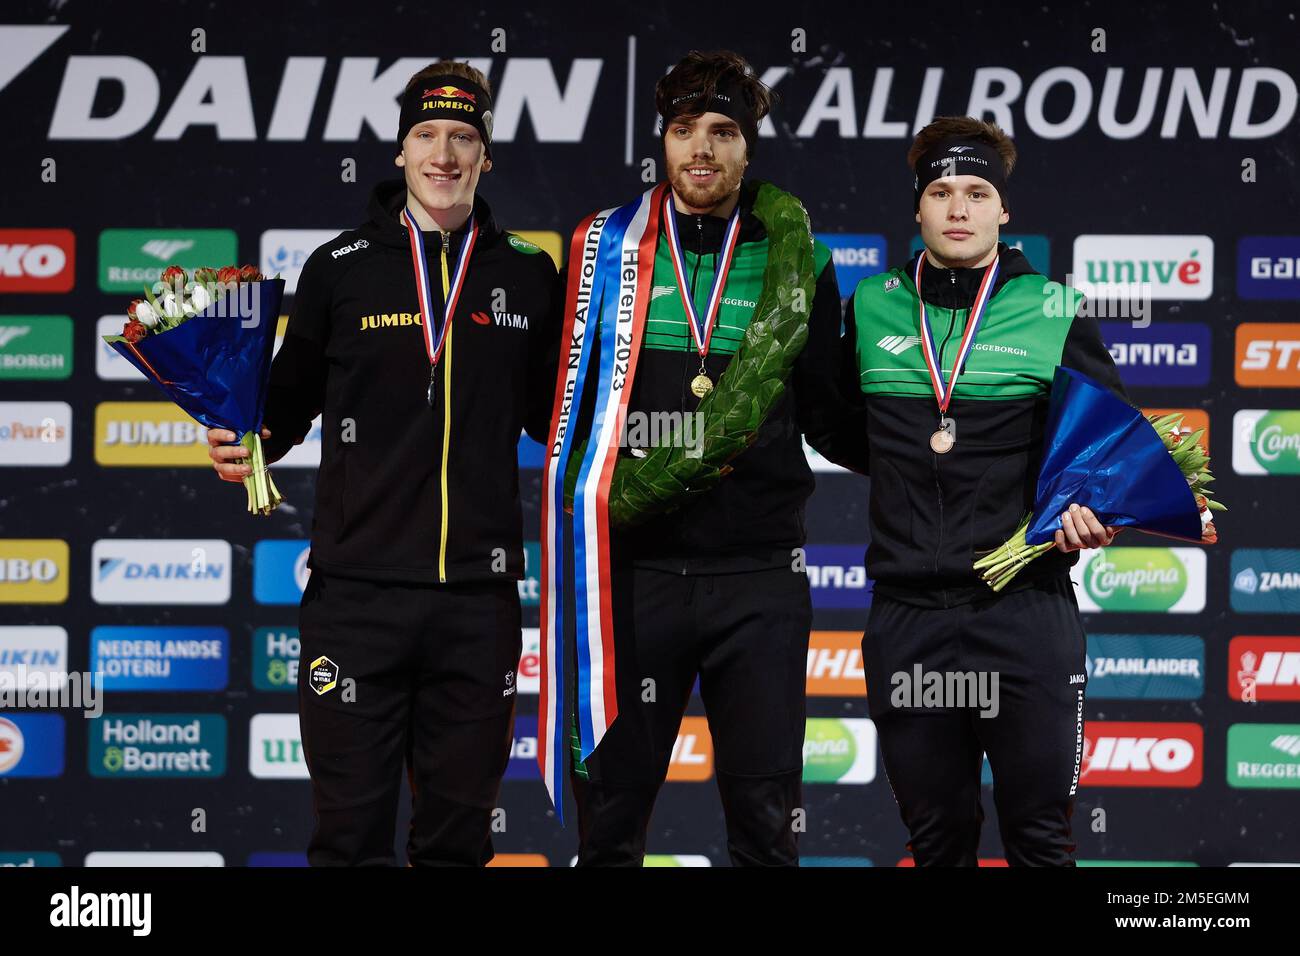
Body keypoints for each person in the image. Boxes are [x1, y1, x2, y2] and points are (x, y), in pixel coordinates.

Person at [207, 60, 560, 866]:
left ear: (486, 157)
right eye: (427, 135)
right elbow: (284, 411)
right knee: (349, 840)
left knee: (456, 842)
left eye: (463, 137)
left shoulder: (529, 276)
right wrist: (245, 441)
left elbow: (557, 422)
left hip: (477, 606)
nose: (444, 153)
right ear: (400, 151)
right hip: (356, 603)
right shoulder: (339, 268)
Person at [546, 50, 846, 867]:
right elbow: (553, 408)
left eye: (723, 132)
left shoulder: (802, 261)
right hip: (632, 579)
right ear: (663, 143)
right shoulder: (604, 252)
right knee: (608, 821)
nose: (702, 150)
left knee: (764, 820)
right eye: (684, 131)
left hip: (758, 584)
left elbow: (831, 414)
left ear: (749, 149)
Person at [812, 115, 1129, 866]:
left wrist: (1092, 511)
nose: (959, 208)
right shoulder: (872, 307)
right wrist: (909, 470)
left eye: (978, 192)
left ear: (1003, 209)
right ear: (918, 208)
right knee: (937, 842)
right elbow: (833, 426)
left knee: (1041, 840)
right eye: (942, 191)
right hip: (910, 622)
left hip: (1024, 617)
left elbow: (1106, 450)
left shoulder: (1053, 310)